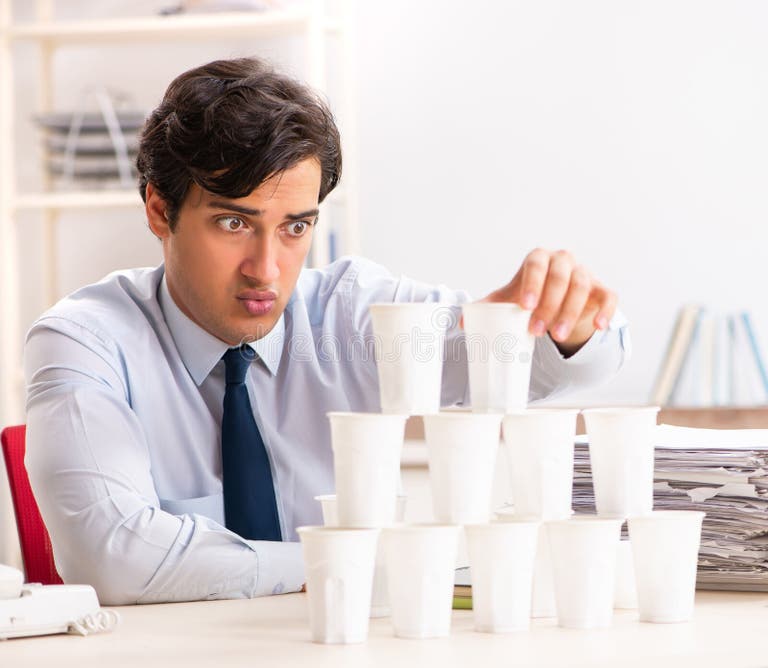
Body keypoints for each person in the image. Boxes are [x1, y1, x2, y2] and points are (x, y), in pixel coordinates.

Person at [24, 57, 630, 605]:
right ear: (160, 210)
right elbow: (113, 558)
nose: (266, 269)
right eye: (234, 222)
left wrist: (564, 324)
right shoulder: (85, 341)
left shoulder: (353, 319)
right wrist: (338, 562)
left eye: (295, 228)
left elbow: (559, 365)